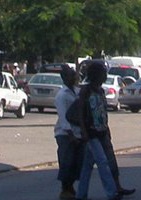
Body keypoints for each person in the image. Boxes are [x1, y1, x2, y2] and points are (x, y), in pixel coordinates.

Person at [73, 59, 132, 200]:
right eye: (102, 73)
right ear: (95, 75)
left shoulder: (100, 91)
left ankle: (81, 194)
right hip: (91, 132)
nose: (104, 76)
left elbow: (102, 112)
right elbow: (80, 112)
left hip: (102, 132)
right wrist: (83, 131)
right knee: (102, 162)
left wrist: (107, 129)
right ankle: (111, 193)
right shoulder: (85, 91)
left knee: (88, 166)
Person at [54, 65, 83, 200]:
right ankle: (65, 189)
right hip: (65, 134)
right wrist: (71, 135)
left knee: (76, 162)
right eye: (71, 75)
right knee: (66, 161)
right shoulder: (62, 95)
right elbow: (63, 116)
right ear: (65, 78)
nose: (74, 77)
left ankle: (70, 187)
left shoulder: (76, 92)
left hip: (77, 132)